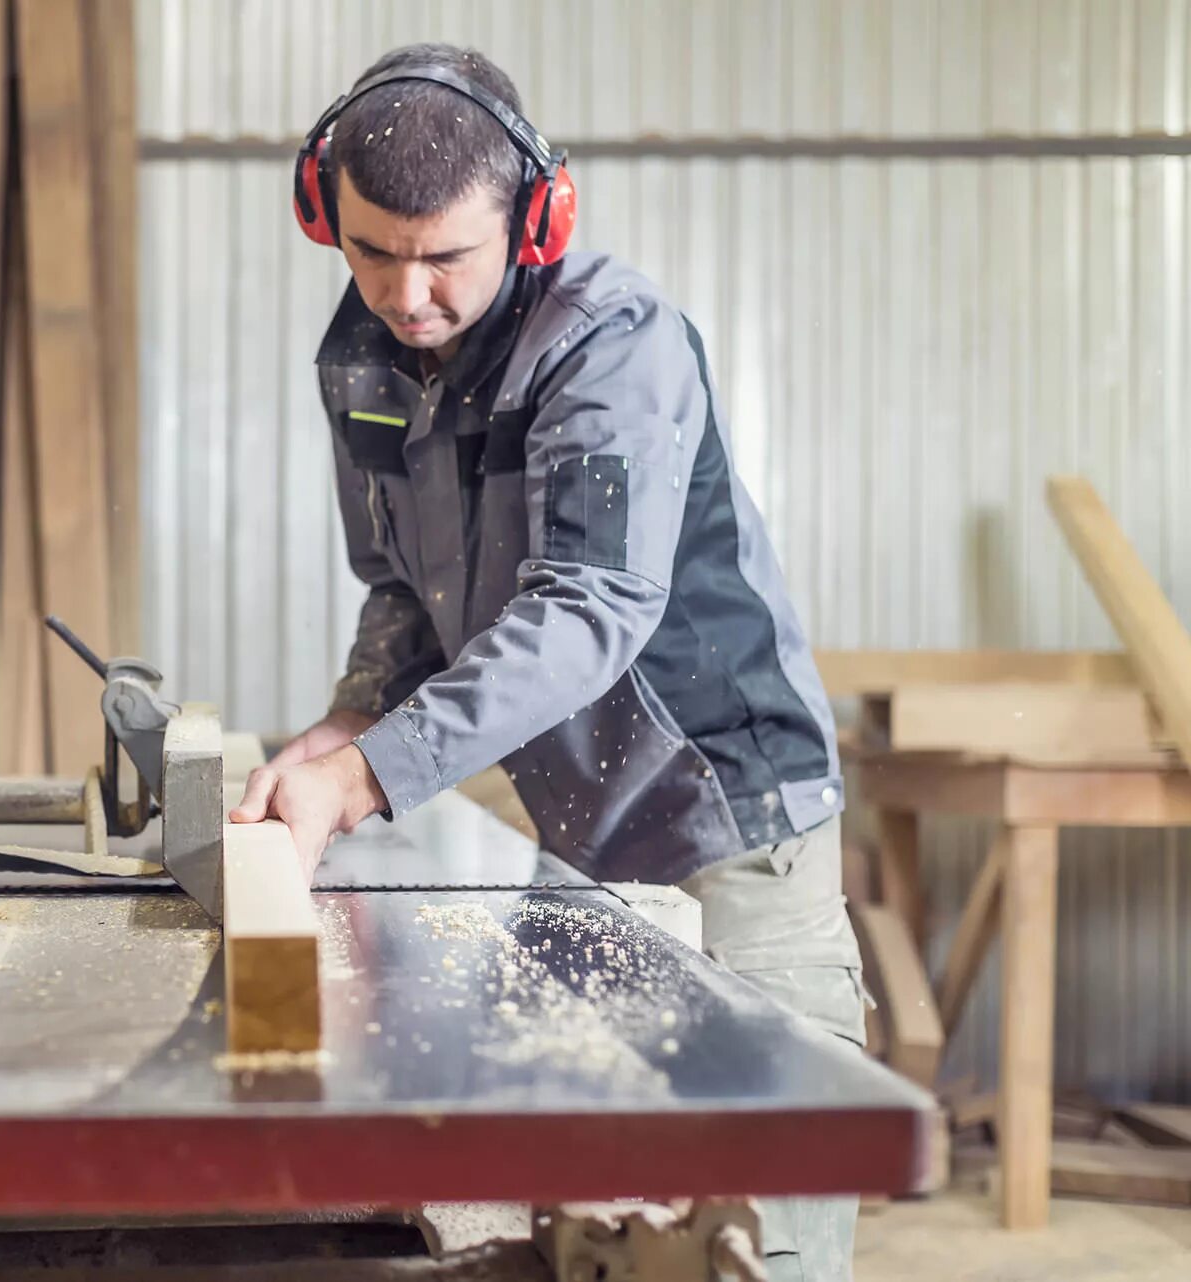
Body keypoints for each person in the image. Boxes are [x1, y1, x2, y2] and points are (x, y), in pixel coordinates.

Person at [228, 42, 866, 1281]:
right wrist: (346, 721)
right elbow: (404, 593)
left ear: (533, 220)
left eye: (444, 258)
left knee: (752, 1241)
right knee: (604, 1231)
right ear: (327, 214)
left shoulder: (612, 347)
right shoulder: (361, 356)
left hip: (731, 825)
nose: (407, 295)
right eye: (372, 251)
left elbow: (590, 606)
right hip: (584, 841)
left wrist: (365, 779)